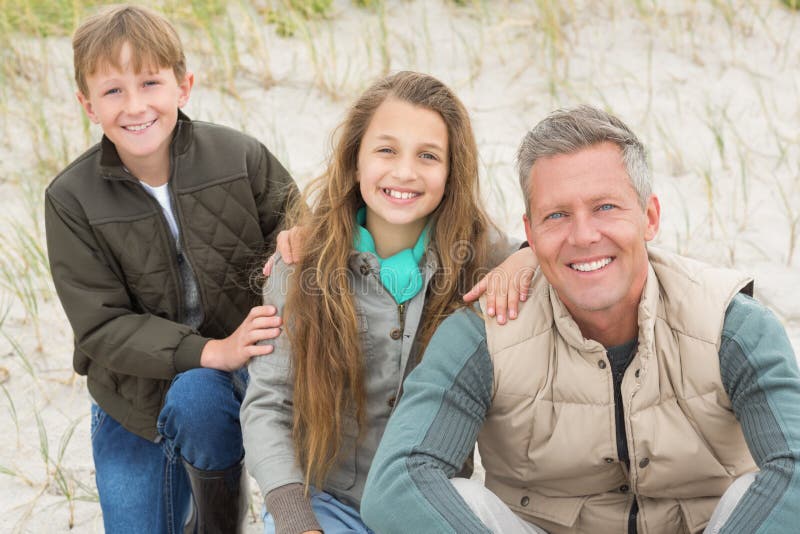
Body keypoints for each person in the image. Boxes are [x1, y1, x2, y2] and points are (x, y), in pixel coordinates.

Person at [361, 105, 800, 533]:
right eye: (557, 216)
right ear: (529, 234)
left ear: (649, 217)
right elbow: (397, 485)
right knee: (465, 498)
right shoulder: (483, 335)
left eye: (606, 207)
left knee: (754, 490)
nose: (584, 235)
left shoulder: (731, 323)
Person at [240, 71, 536, 534]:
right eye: (386, 149)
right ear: (355, 161)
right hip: (325, 503)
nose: (404, 172)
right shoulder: (301, 265)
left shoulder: (478, 255)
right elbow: (268, 405)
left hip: (428, 500)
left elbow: (552, 252)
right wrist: (299, 522)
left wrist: (528, 258)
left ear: (451, 171)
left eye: (428, 156)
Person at [44, 5, 297, 533]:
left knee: (200, 400)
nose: (135, 106)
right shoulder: (72, 198)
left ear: (184, 86)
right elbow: (101, 325)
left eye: (150, 83)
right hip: (132, 398)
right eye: (113, 91)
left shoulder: (239, 157)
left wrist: (302, 238)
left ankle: (219, 519)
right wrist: (210, 351)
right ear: (86, 103)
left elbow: (302, 232)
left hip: (241, 376)